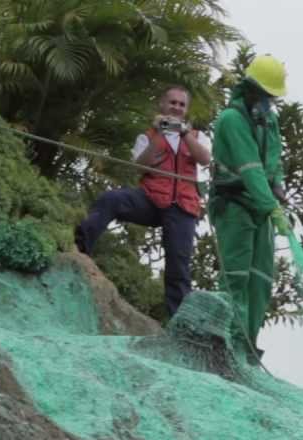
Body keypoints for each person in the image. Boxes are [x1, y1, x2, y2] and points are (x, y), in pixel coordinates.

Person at [75, 86, 212, 318]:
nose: (176, 108)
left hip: (183, 206)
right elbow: (140, 165)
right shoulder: (147, 136)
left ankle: (178, 322)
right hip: (151, 199)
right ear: (162, 105)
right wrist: (160, 134)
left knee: (178, 267)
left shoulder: (197, 136)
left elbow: (205, 159)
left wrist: (184, 133)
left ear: (186, 110)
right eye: (172, 103)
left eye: (181, 104)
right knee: (111, 199)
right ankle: (79, 249)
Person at [208, 55, 289, 362]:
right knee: (237, 276)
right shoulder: (231, 120)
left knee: (260, 280)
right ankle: (224, 342)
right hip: (235, 204)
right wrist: (273, 208)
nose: (269, 102)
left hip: (261, 205)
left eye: (272, 97)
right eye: (265, 95)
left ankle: (247, 345)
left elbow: (273, 160)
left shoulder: (269, 119)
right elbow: (251, 168)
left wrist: (278, 184)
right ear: (250, 88)